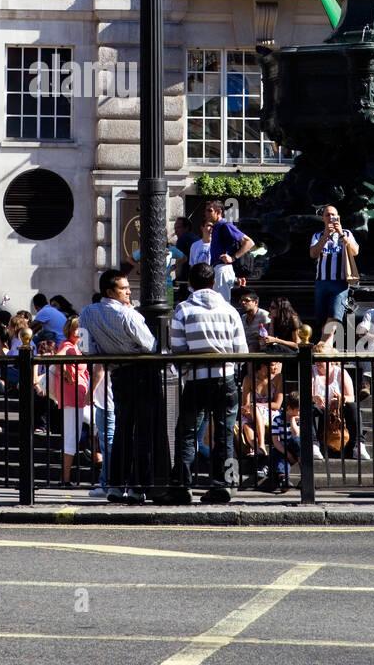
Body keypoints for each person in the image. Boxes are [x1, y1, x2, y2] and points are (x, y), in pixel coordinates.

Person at [79, 269, 166, 504]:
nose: (128, 292)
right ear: (110, 292)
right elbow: (150, 345)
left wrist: (106, 354)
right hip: (142, 373)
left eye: (128, 287)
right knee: (143, 432)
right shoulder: (128, 314)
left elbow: (86, 347)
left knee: (122, 431)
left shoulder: (87, 313)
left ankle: (116, 486)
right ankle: (138, 487)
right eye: (123, 288)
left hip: (118, 374)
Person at [168, 261, 247, 504]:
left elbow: (178, 350)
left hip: (196, 380)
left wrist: (188, 369)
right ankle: (225, 483)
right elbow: (241, 351)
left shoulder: (182, 310)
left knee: (187, 433)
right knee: (224, 434)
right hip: (225, 378)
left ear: (190, 284)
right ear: (213, 282)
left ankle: (182, 485)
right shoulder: (230, 311)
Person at [50, 317, 89, 485]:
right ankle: (65, 479)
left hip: (79, 395)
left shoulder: (77, 347)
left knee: (80, 431)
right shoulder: (67, 345)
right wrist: (65, 368)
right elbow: (58, 357)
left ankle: (94, 453)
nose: (79, 332)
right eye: (76, 328)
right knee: (72, 437)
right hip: (72, 395)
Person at [310, 204, 360, 330]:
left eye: (333, 215)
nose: (330, 217)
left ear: (338, 217)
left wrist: (341, 233)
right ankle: (326, 341)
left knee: (334, 316)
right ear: (322, 218)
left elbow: (355, 251)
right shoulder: (317, 236)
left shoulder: (346, 233)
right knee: (322, 318)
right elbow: (313, 254)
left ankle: (325, 340)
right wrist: (325, 236)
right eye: (327, 215)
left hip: (340, 282)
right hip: (322, 281)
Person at [205, 200, 254, 304]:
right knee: (216, 303)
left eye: (210, 210)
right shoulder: (216, 227)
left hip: (223, 269)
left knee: (221, 303)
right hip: (216, 269)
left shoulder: (226, 226)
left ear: (219, 212)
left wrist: (233, 257)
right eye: (206, 210)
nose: (206, 213)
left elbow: (249, 242)